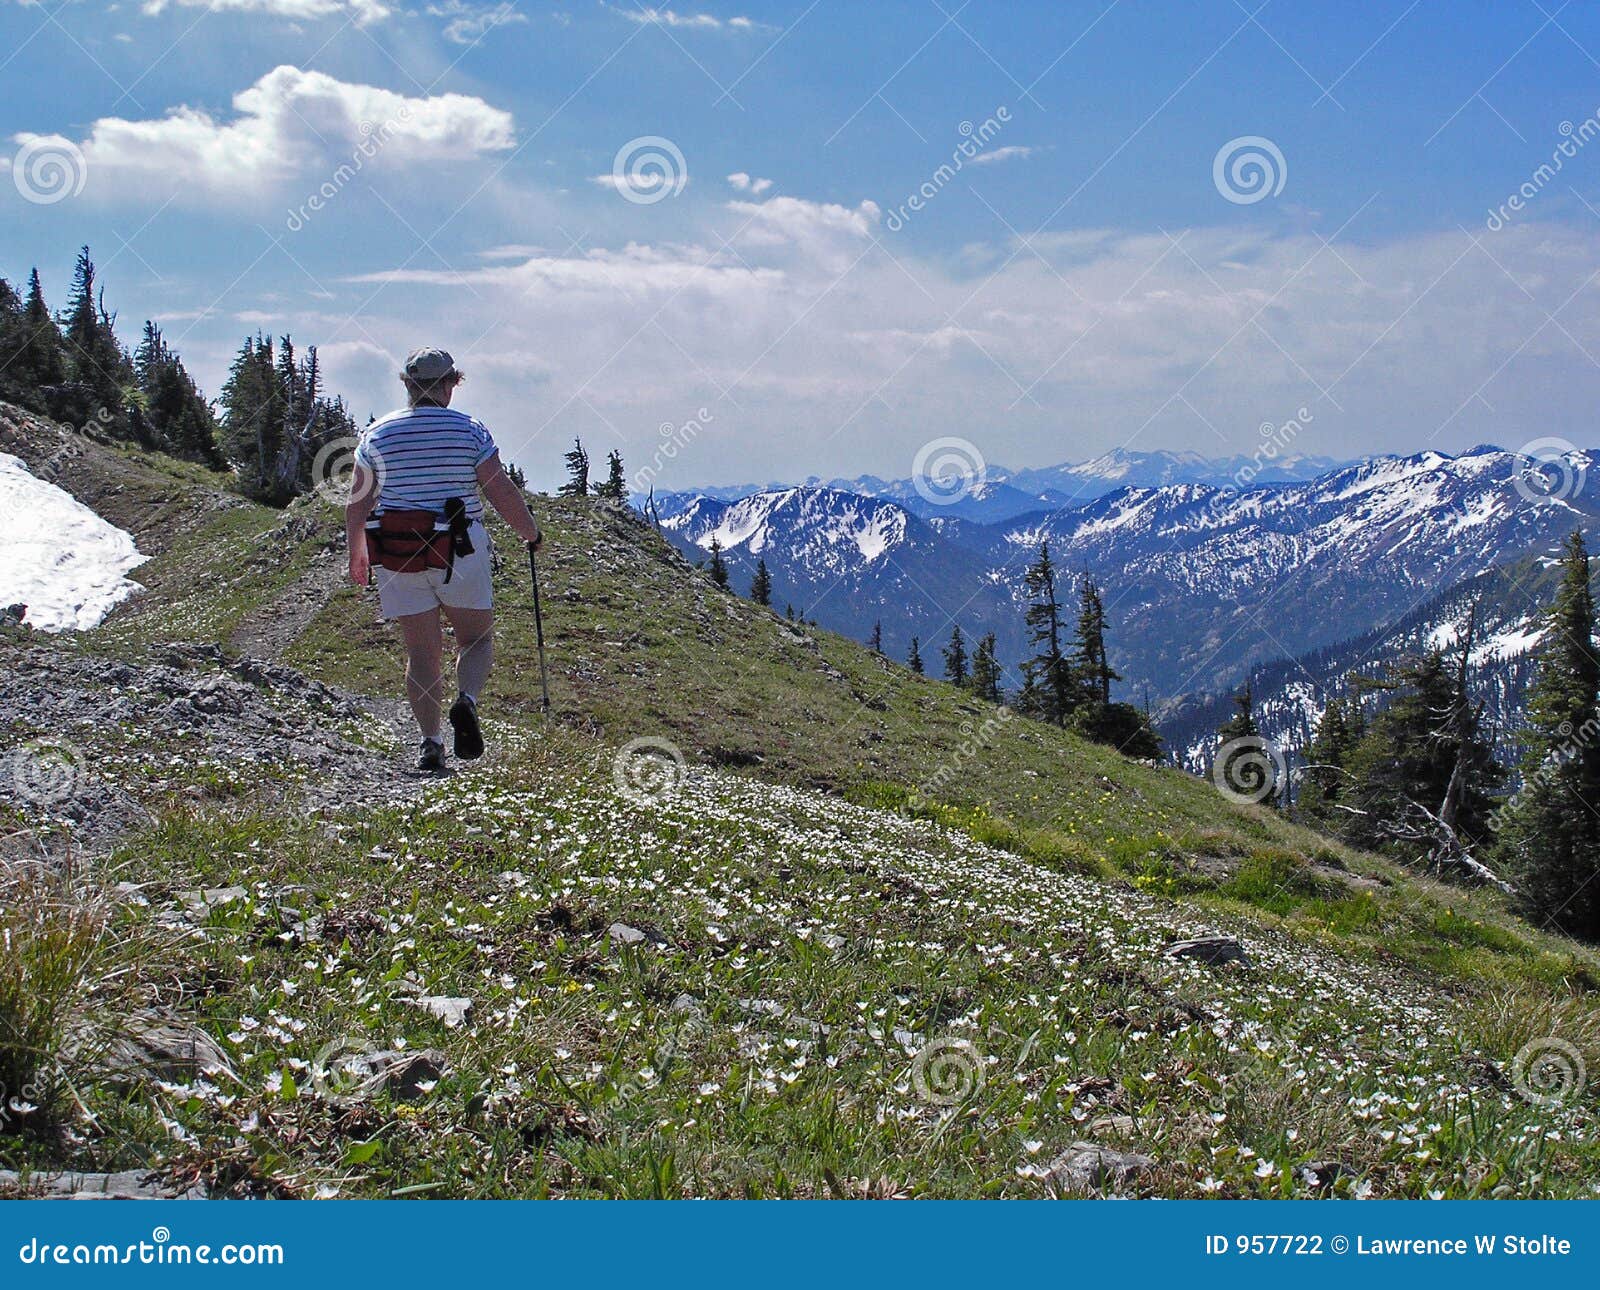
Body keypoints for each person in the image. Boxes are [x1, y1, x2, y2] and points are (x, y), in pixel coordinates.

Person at [346, 348, 543, 771]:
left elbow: (357, 501)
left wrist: (356, 554)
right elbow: (500, 491)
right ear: (451, 383)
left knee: (421, 650)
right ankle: (466, 701)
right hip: (458, 548)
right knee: (476, 638)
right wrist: (531, 533)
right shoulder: (469, 430)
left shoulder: (377, 433)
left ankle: (430, 741)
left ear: (408, 385)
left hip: (398, 552)